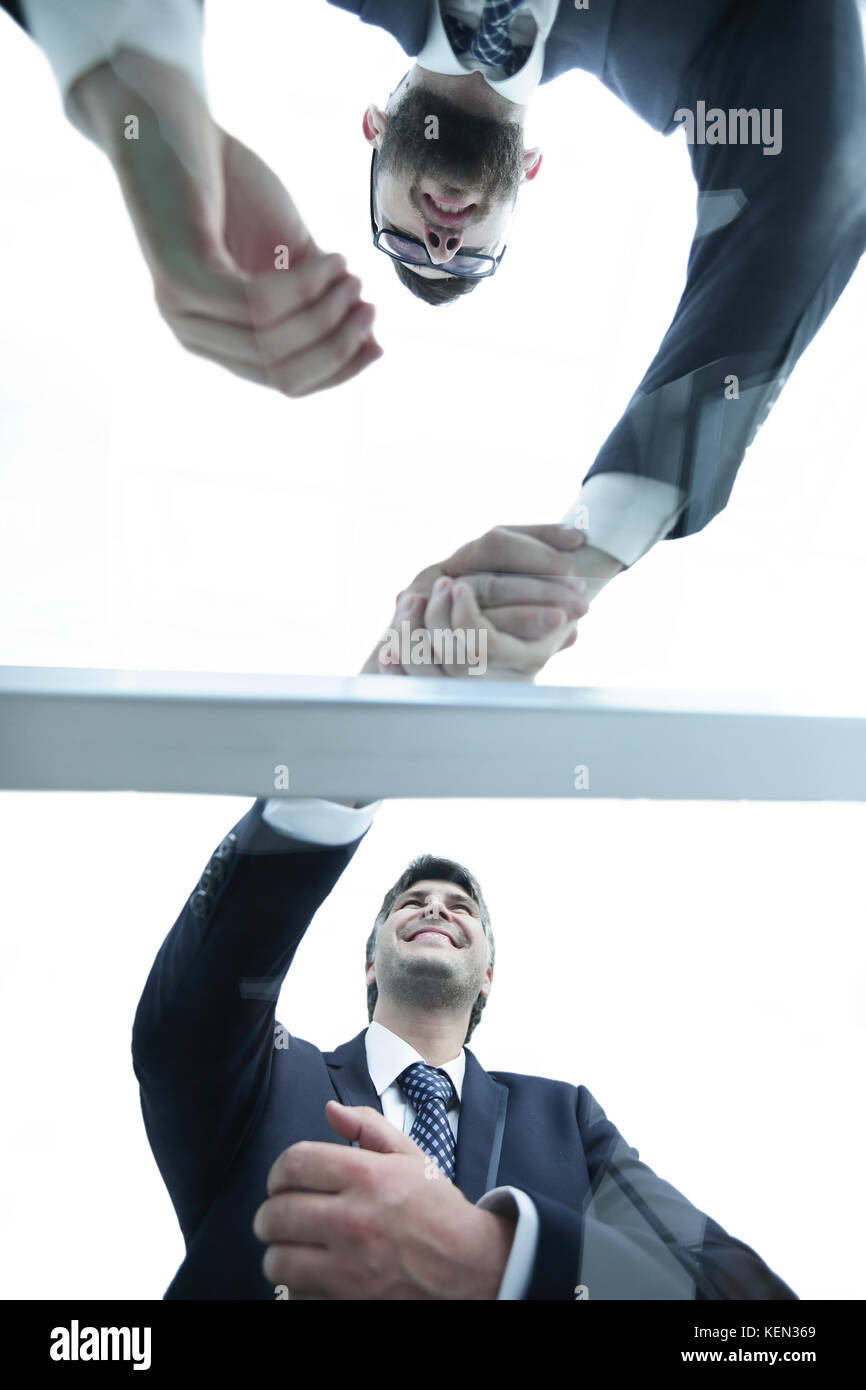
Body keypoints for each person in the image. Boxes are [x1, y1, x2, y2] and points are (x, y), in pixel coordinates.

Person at [5, 0, 865, 610]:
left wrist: (152, 130)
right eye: (470, 256)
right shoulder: (718, 30)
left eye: (405, 241)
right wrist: (584, 557)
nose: (444, 243)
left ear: (375, 126)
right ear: (529, 174)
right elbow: (812, 184)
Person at [133, 797, 797, 1299]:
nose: (436, 908)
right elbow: (188, 1014)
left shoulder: (565, 1121)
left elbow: (748, 1310)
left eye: (461, 906)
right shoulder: (270, 1077)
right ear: (371, 965)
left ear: (486, 979)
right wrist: (343, 754)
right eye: (412, 901)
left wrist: (497, 1258)